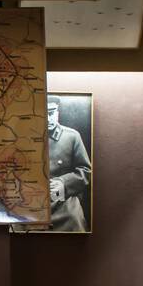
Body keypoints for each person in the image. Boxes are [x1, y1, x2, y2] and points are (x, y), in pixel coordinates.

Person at [46, 96, 92, 231]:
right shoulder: (27, 137)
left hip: (64, 203)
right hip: (34, 202)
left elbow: (85, 171)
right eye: (44, 114)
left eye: (51, 113)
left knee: (76, 224)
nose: (48, 119)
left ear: (57, 112)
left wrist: (63, 183)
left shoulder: (72, 136)